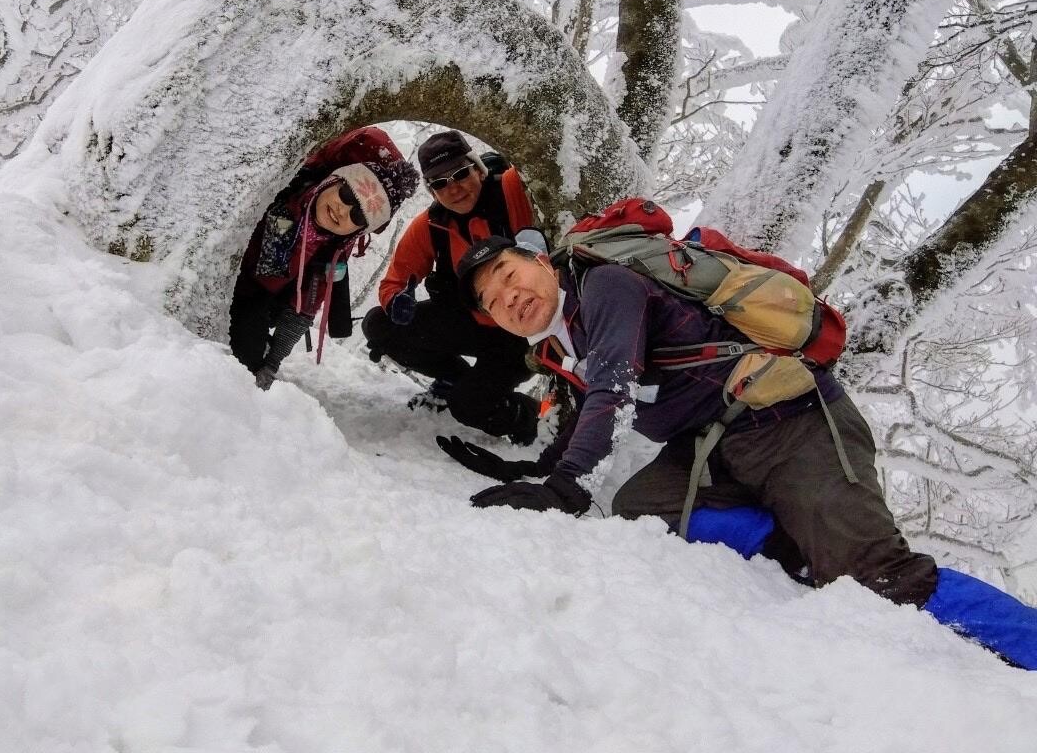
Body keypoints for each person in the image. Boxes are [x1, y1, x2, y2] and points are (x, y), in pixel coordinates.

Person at [445, 234, 1037, 670]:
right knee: (642, 506)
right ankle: (795, 547)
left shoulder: (605, 284)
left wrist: (566, 485)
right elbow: (594, 407)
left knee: (881, 576)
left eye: (506, 272)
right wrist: (534, 472)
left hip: (795, 424)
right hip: (714, 445)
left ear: (539, 260)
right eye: (491, 299)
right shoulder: (561, 342)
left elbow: (615, 386)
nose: (507, 295)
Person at [361, 130, 543, 444]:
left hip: (522, 336)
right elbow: (395, 280)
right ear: (432, 192)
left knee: (469, 408)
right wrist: (396, 302)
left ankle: (537, 420)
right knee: (379, 324)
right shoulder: (431, 225)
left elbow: (547, 155)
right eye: (440, 183)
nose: (454, 188)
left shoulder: (514, 190)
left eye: (460, 173)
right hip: (471, 322)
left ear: (478, 169)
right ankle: (454, 380)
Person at [229, 127, 418, 390]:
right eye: (348, 195)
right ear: (333, 180)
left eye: (359, 217)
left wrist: (271, 363)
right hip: (233, 277)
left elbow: (304, 307)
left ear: (357, 232)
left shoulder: (331, 251)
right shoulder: (282, 194)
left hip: (257, 300)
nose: (343, 210)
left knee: (244, 359)